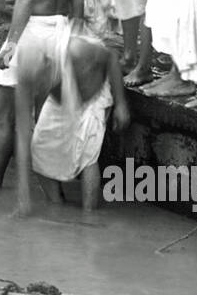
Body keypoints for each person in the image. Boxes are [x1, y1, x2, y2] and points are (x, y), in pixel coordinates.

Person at [0, 0, 97, 215]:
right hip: (63, 32)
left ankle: (6, 194)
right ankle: (59, 201)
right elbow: (78, 3)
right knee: (47, 118)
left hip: (34, 33)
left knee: (7, 115)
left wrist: (11, 43)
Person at [29, 31, 129, 210]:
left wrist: (121, 104)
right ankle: (56, 205)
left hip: (92, 95)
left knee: (87, 156)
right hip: (61, 95)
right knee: (39, 148)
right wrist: (37, 118)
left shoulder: (80, 48)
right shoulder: (39, 60)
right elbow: (39, 89)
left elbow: (111, 59)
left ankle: (89, 214)